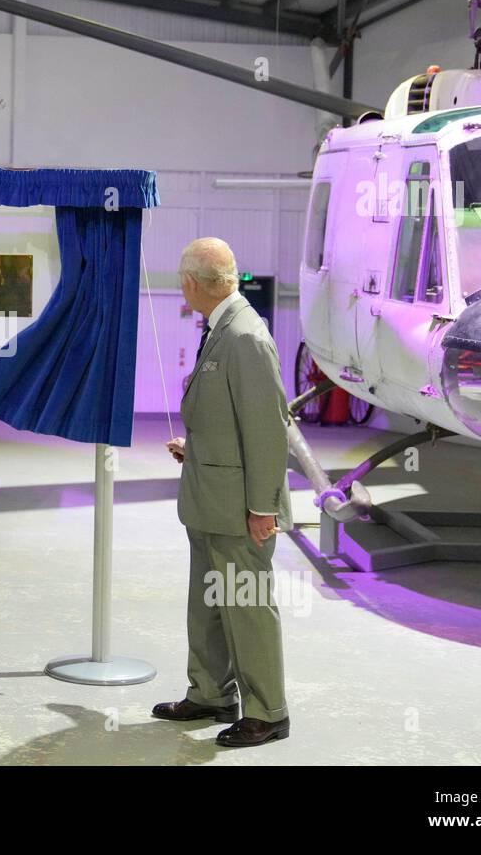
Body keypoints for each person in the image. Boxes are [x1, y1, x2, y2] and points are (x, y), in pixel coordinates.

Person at [152, 237, 293, 748]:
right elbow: (233, 419)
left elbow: (267, 431)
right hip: (211, 499)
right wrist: (198, 448)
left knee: (247, 606)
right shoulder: (224, 329)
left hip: (239, 510)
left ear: (192, 283)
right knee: (209, 604)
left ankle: (267, 712)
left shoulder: (245, 337)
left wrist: (262, 507)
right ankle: (212, 694)